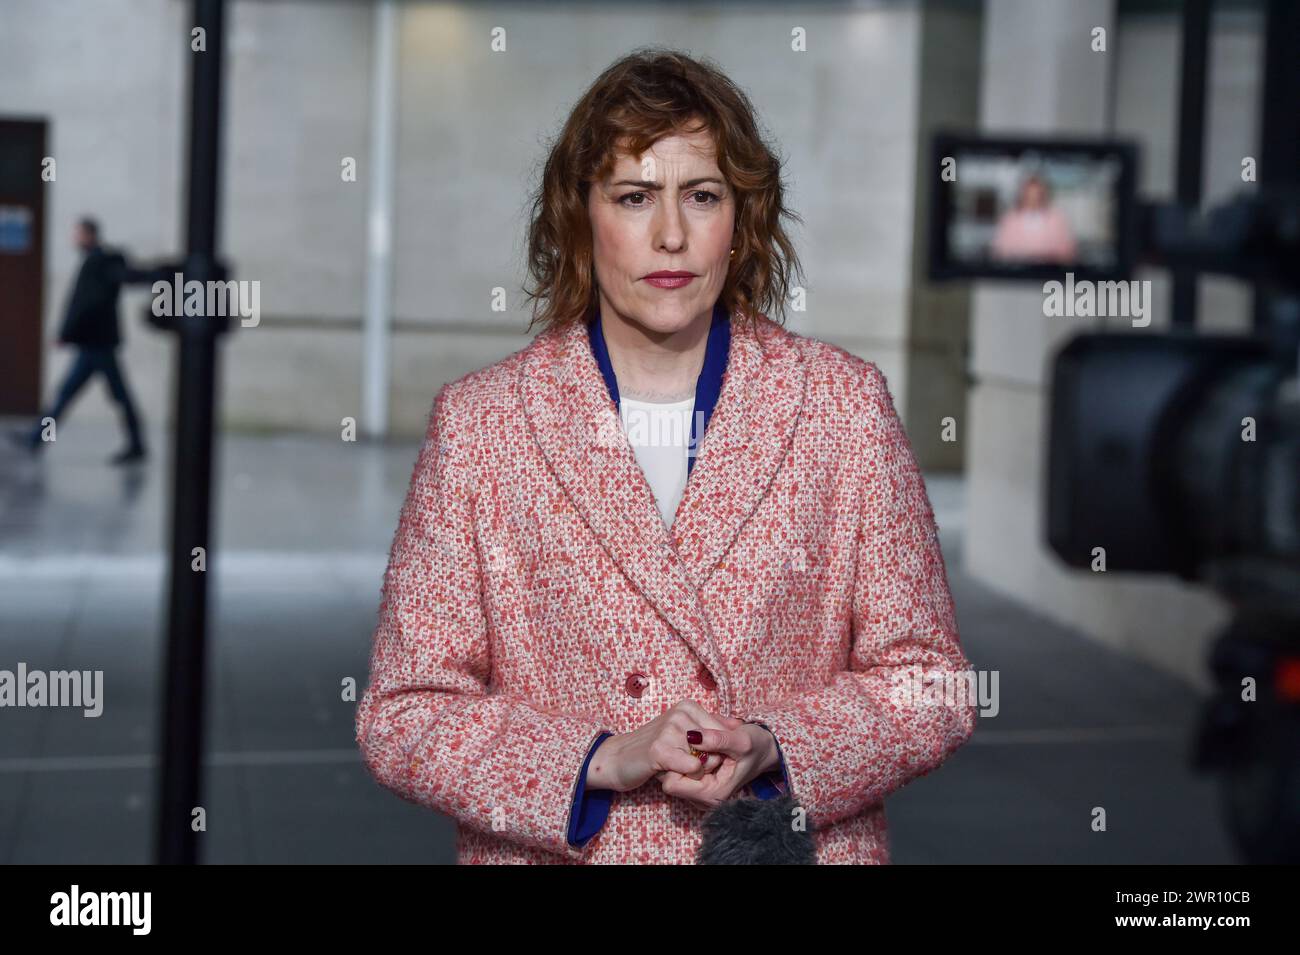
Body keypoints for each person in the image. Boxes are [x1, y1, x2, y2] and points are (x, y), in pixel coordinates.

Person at [354, 49, 977, 864]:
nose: (672, 234)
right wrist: (600, 759)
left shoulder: (841, 405)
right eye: (635, 196)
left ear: (741, 220)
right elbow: (403, 709)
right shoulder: (484, 423)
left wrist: (773, 747)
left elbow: (930, 682)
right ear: (580, 217)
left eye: (703, 195)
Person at [8, 217, 149, 464]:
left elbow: (86, 304)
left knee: (98, 396)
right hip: (94, 343)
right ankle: (36, 439)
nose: (74, 239)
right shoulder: (97, 261)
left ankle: (136, 445)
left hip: (97, 344)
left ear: (89, 235)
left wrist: (66, 333)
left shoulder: (100, 262)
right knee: (72, 394)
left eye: (78, 234)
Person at [989, 171, 1078, 264]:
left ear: (1043, 195)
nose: (1033, 198)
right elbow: (1000, 249)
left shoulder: (1056, 218)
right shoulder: (1010, 219)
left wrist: (1047, 257)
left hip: (1049, 271)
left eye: (1037, 194)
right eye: (1029, 194)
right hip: (1017, 271)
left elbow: (1068, 250)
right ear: (1023, 195)